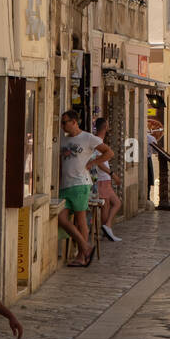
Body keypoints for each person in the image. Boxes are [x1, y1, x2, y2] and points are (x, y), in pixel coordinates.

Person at [59, 109, 113, 265]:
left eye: (65, 122)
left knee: (81, 219)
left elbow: (108, 152)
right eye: (61, 123)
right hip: (65, 185)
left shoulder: (88, 138)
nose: (62, 126)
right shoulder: (64, 140)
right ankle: (86, 247)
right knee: (62, 218)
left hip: (80, 184)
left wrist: (92, 163)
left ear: (74, 122)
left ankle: (82, 256)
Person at [93, 117, 122, 242]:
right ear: (105, 127)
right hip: (102, 178)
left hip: (103, 179)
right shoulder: (98, 142)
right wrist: (112, 174)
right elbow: (99, 163)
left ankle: (107, 229)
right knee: (113, 203)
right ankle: (107, 227)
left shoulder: (97, 141)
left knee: (110, 204)